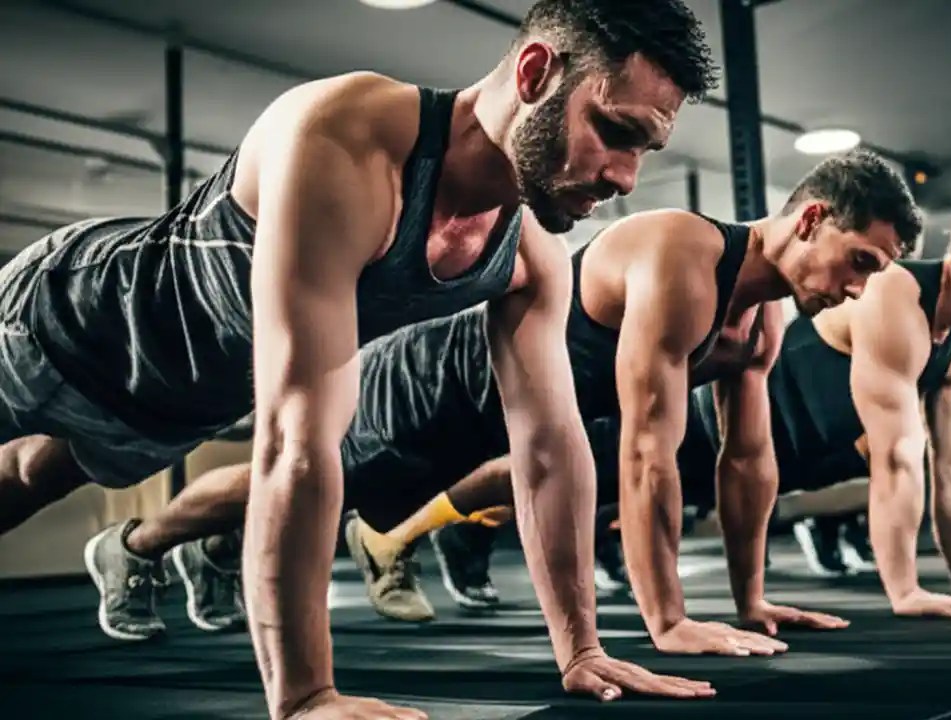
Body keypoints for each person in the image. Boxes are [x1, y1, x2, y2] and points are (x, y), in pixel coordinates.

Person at [0, 0, 721, 716]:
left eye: (644, 151)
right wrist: (308, 696)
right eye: (615, 131)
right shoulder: (349, 136)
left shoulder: (531, 259)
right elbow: (298, 437)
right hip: (72, 314)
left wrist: (582, 650)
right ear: (535, 72)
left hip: (172, 402)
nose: (626, 177)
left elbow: (549, 450)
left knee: (27, 480)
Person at [160, 149, 924, 653]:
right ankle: (136, 547)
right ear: (814, 218)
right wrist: (669, 622)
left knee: (362, 504)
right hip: (442, 381)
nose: (859, 289)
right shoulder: (681, 257)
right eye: (861, 261)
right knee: (310, 477)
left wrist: (751, 601)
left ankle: (219, 548)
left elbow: (748, 462)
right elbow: (647, 453)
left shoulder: (762, 321)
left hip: (507, 421)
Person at [766, 159, 951, 619]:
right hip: (725, 431)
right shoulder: (895, 292)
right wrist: (905, 592)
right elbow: (898, 458)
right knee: (622, 493)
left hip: (801, 462)